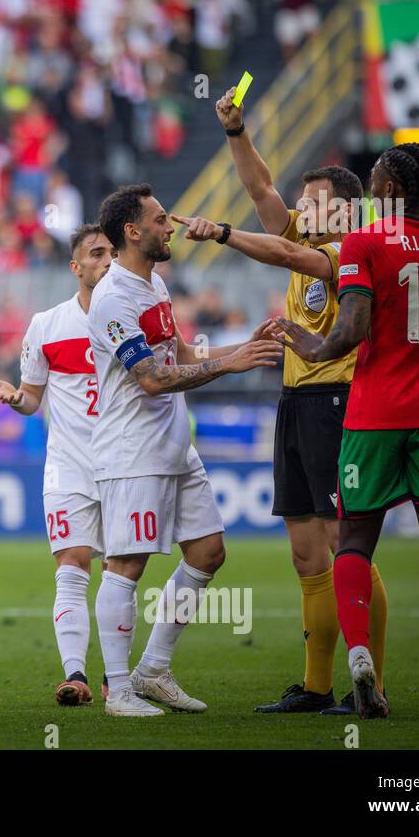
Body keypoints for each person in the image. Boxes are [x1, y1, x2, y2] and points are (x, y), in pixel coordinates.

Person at [273, 143, 419, 719]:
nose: (369, 185)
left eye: (374, 178)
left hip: (372, 413)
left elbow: (355, 326)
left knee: (354, 542)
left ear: (388, 191)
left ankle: (360, 657)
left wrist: (315, 345)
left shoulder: (366, 243)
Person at [204, 86, 390, 716]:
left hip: (338, 403)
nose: (301, 207)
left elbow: (283, 251)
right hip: (296, 402)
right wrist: (237, 132)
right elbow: (262, 193)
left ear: (344, 213)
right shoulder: (307, 238)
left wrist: (225, 234)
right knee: (307, 551)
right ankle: (316, 688)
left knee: (346, 545)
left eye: (314, 201)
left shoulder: (347, 251)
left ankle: (375, 686)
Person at [88, 184, 282, 717]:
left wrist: (240, 348)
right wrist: (228, 366)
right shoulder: (112, 298)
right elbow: (151, 378)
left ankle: (153, 670)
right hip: (132, 451)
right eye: (159, 219)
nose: (170, 226)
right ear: (132, 231)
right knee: (125, 565)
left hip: (174, 445)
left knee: (208, 552)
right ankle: (120, 691)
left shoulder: (155, 285)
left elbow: (183, 352)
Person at [0, 223, 113, 706]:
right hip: (69, 466)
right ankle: (76, 675)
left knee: (121, 572)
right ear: (75, 267)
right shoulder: (47, 324)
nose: (106, 261)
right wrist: (16, 399)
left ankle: (117, 676)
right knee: (72, 565)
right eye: (95, 254)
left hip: (125, 463)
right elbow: (32, 398)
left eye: (111, 253)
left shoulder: (139, 317)